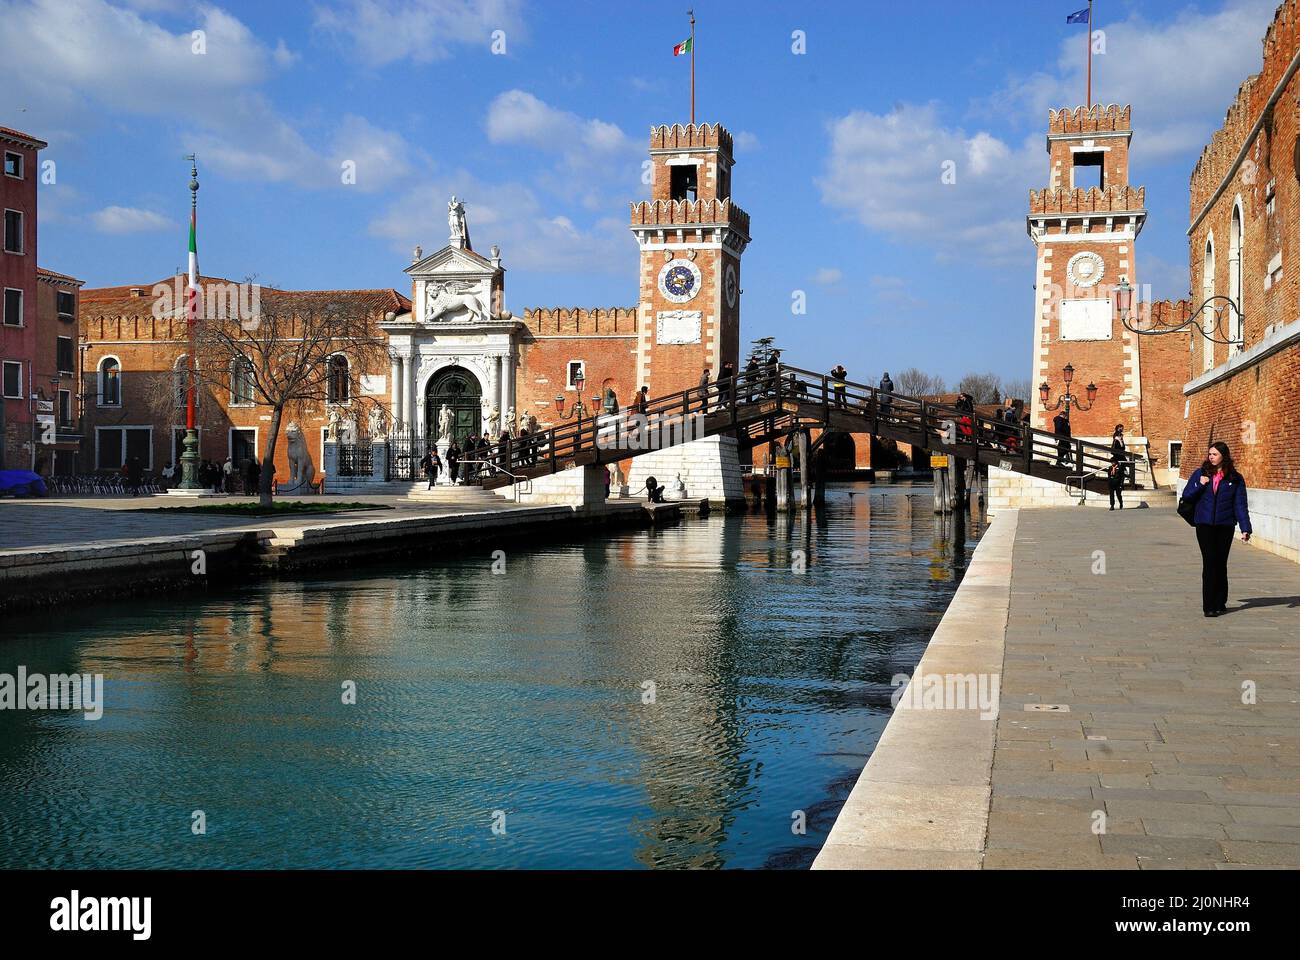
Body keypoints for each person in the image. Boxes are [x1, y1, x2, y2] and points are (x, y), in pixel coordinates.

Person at [1183, 441, 1252, 617]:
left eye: (1214, 454)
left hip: (1225, 526)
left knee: (1221, 563)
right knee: (1210, 561)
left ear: (1223, 456)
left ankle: (1220, 601)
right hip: (1204, 525)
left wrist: (1245, 528)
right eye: (1210, 454)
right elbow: (1187, 495)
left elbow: (1240, 505)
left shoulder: (1235, 478)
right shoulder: (1201, 473)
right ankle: (1209, 605)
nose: (1211, 457)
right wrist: (1200, 484)